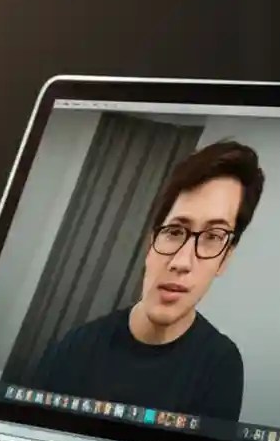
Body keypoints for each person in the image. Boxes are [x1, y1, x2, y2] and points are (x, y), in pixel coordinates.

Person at [31, 140, 264, 421]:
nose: (181, 262)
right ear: (151, 242)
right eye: (175, 231)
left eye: (213, 237)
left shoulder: (219, 366)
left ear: (225, 258)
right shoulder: (75, 348)